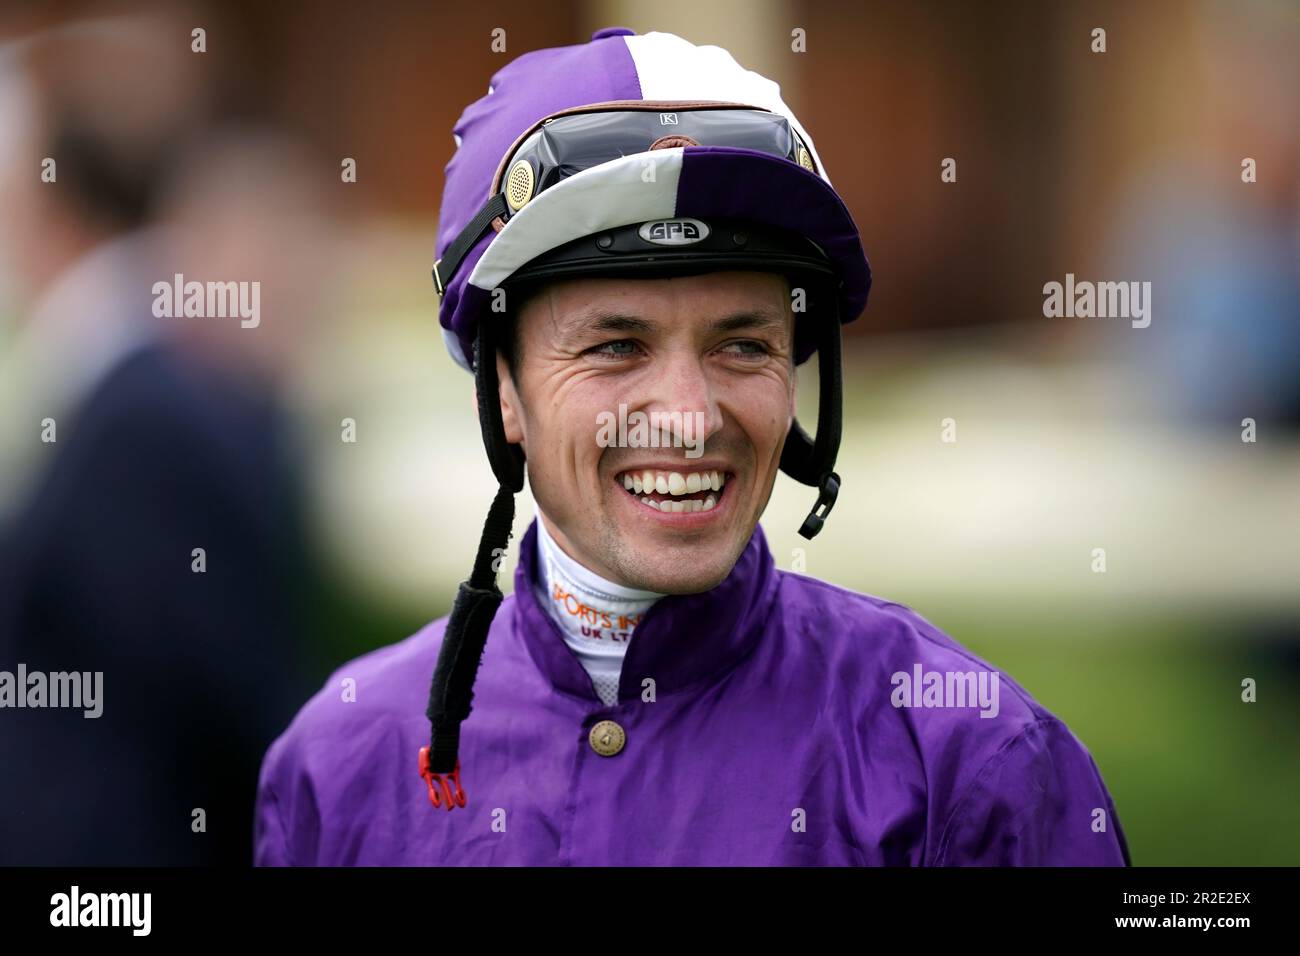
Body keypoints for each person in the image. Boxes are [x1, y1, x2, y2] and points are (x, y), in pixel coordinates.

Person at [254, 28, 1131, 866]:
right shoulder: (338, 766)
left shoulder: (969, 763)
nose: (687, 415)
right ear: (505, 392)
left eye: (743, 344)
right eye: (615, 346)